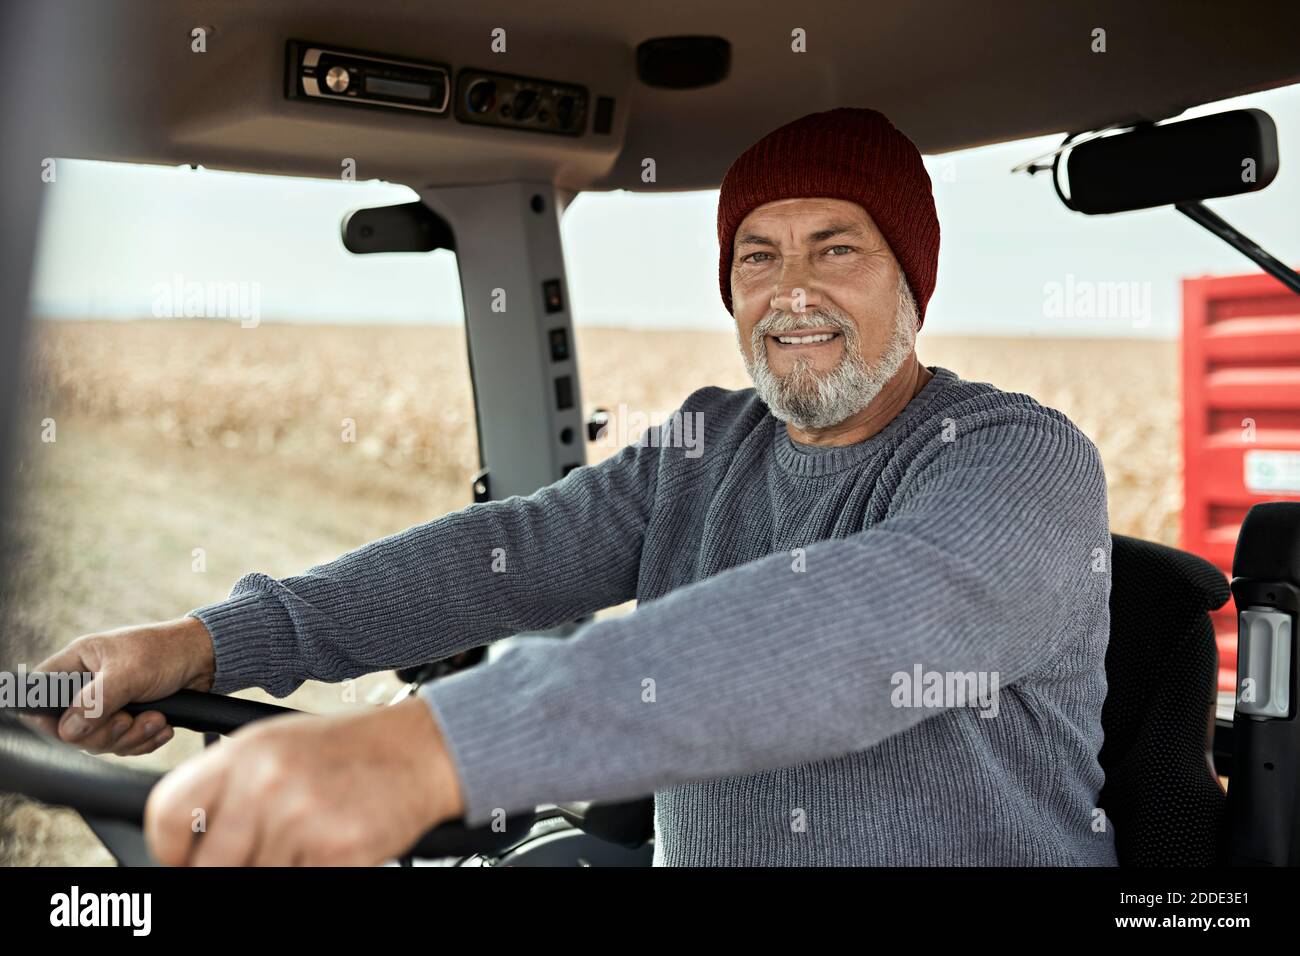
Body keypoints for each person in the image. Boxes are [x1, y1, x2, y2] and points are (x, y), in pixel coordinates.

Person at [33, 108, 1117, 866]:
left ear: (909, 280)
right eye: (756, 255)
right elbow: (500, 555)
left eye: (837, 249)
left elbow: (860, 626)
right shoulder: (708, 440)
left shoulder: (1016, 459)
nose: (791, 291)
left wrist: (425, 751)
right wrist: (203, 643)